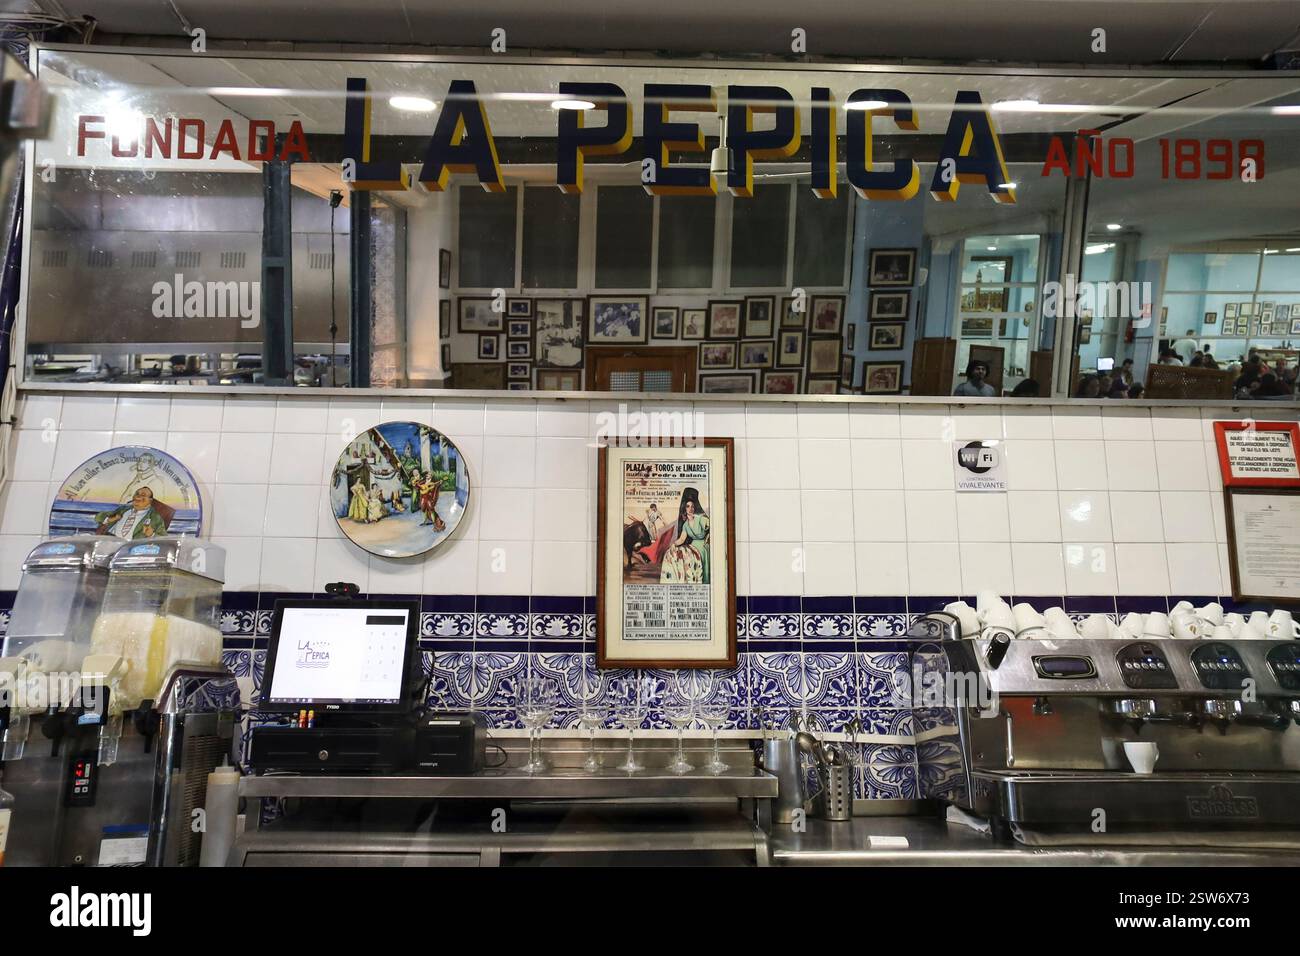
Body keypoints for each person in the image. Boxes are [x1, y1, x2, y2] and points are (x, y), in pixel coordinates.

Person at [660, 487, 710, 584]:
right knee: (676, 554)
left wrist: (708, 538)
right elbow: (682, 539)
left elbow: (713, 527)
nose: (690, 509)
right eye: (688, 506)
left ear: (695, 507)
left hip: (703, 547)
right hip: (693, 546)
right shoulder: (686, 524)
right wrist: (673, 544)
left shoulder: (700, 518)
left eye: (692, 506)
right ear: (684, 508)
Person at [95, 486, 168, 539]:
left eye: (143, 495)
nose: (138, 497)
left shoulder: (155, 517)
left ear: (150, 500)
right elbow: (98, 517)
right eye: (137, 494)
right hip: (109, 540)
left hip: (131, 548)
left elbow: (164, 539)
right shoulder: (123, 509)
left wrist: (152, 535)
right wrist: (109, 519)